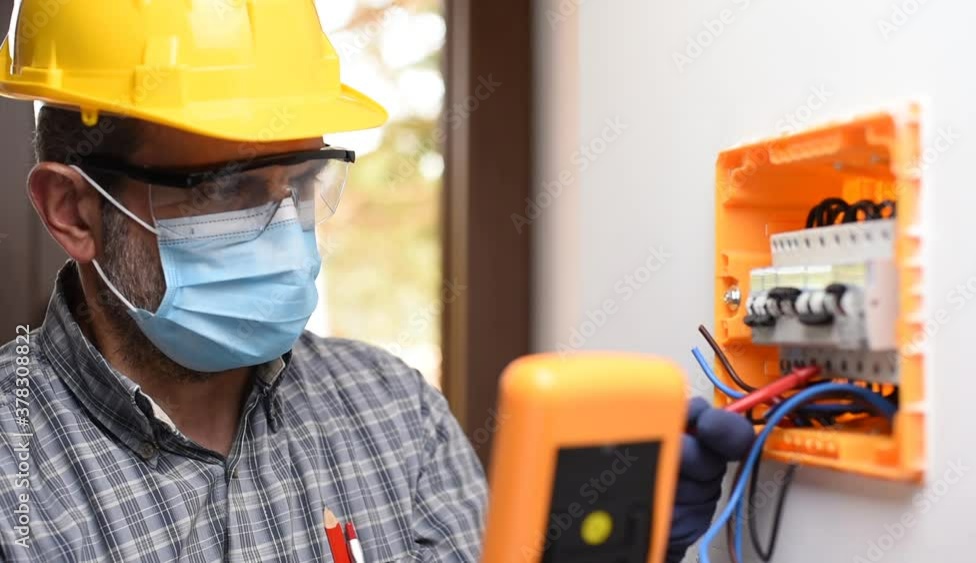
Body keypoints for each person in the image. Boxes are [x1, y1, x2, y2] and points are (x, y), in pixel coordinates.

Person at [0, 1, 753, 561]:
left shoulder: (395, 414)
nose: (283, 229)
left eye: (298, 182)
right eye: (224, 189)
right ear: (74, 210)